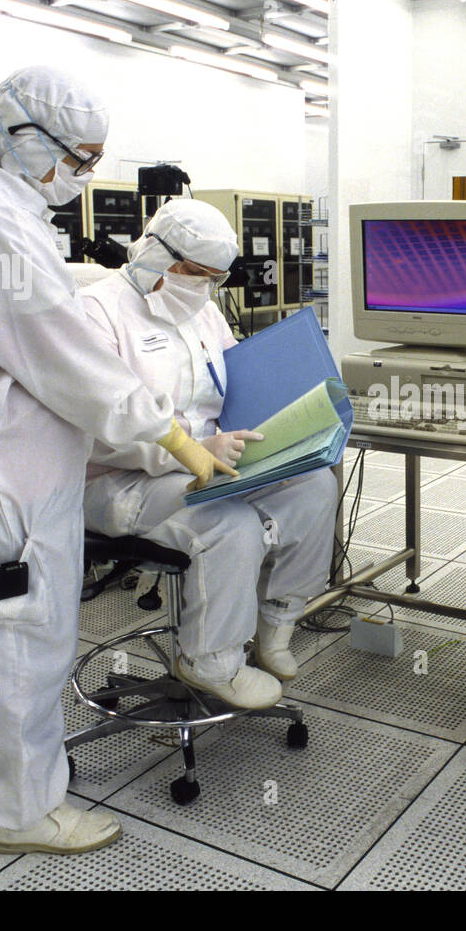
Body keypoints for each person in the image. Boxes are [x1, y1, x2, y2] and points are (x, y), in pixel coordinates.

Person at [0, 67, 232, 856]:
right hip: (1, 476)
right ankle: (22, 811)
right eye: (78, 159)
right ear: (25, 139)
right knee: (19, 642)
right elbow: (68, 360)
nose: (80, 177)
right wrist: (173, 439)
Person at [81, 199, 338, 709]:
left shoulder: (201, 309)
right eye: (194, 274)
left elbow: (234, 377)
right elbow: (100, 427)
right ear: (153, 252)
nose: (203, 289)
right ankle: (210, 662)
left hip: (213, 459)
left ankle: (277, 620)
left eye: (213, 279)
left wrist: (287, 421)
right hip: (117, 480)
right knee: (229, 522)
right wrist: (192, 451)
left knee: (315, 485)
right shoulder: (96, 312)